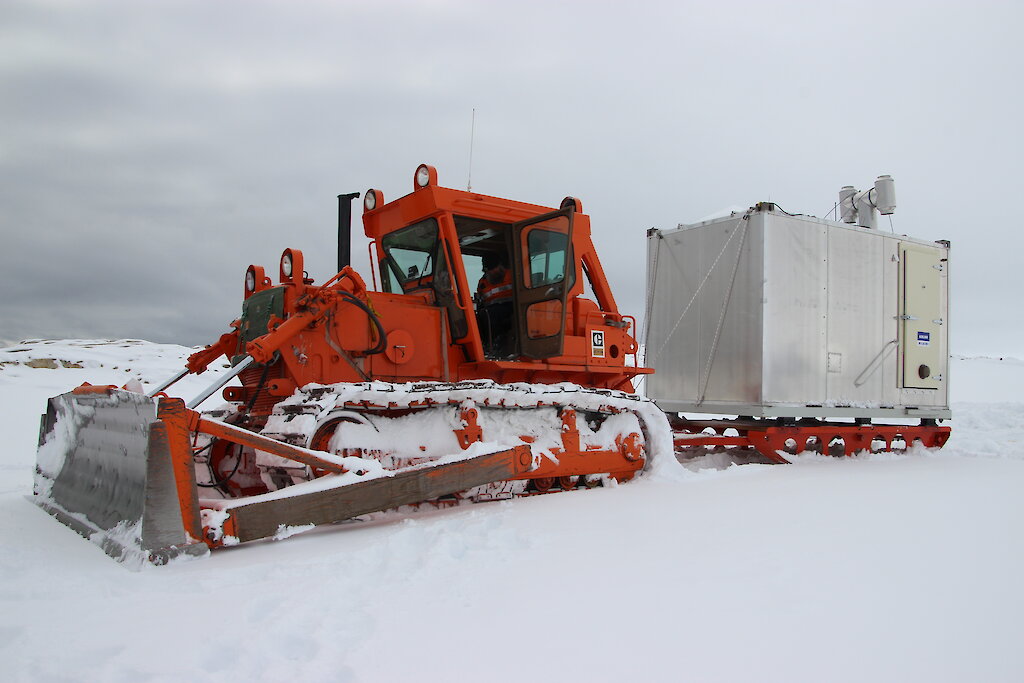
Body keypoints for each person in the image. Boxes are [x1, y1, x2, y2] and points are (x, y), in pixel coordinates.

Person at [476, 252, 514, 357]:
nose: (493, 272)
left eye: (494, 268)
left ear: (500, 265)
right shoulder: (482, 284)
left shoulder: (512, 276)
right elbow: (481, 302)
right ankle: (486, 345)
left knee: (492, 314)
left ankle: (497, 343)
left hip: (512, 308)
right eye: (489, 270)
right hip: (491, 312)